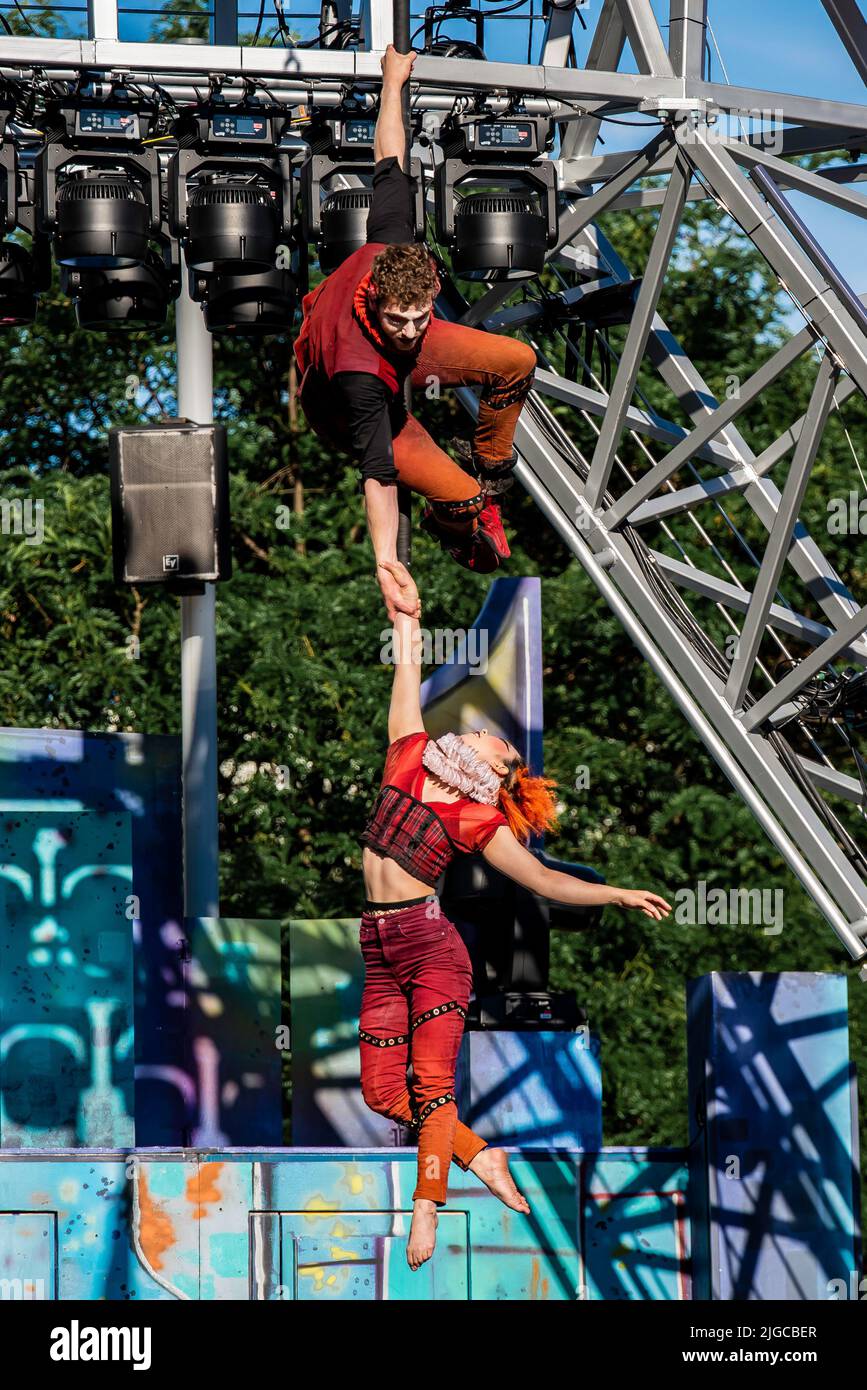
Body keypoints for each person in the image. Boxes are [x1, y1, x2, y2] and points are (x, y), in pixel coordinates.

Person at [358, 559, 672, 1270]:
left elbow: (541, 880)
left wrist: (616, 893)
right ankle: (483, 1156)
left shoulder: (476, 817)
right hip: (377, 944)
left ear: (492, 769)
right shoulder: (407, 755)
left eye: (491, 738)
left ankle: (426, 1211)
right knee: (382, 1092)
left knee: (430, 1090)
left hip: (431, 947)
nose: (476, 730)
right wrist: (407, 616)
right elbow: (405, 671)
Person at [293, 45, 539, 623]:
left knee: (517, 360)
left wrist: (392, 81)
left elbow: (389, 153)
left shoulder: (394, 245)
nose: (408, 330)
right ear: (376, 304)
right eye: (397, 321)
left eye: (420, 315)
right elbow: (377, 476)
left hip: (384, 355)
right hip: (345, 403)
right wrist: (385, 562)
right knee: (467, 508)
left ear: (427, 290)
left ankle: (491, 469)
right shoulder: (357, 370)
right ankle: (455, 512)